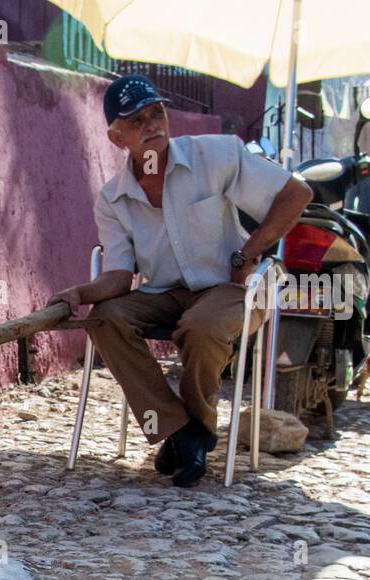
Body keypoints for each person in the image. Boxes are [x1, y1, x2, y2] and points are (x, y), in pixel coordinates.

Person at [51, 75, 312, 486]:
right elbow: (120, 276)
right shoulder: (114, 198)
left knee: (201, 326)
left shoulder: (216, 154)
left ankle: (190, 434)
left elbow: (296, 194)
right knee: (104, 318)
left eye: (157, 113)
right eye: (136, 121)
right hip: (166, 292)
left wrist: (249, 252)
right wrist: (81, 293)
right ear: (116, 136)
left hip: (234, 287)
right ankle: (183, 431)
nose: (152, 125)